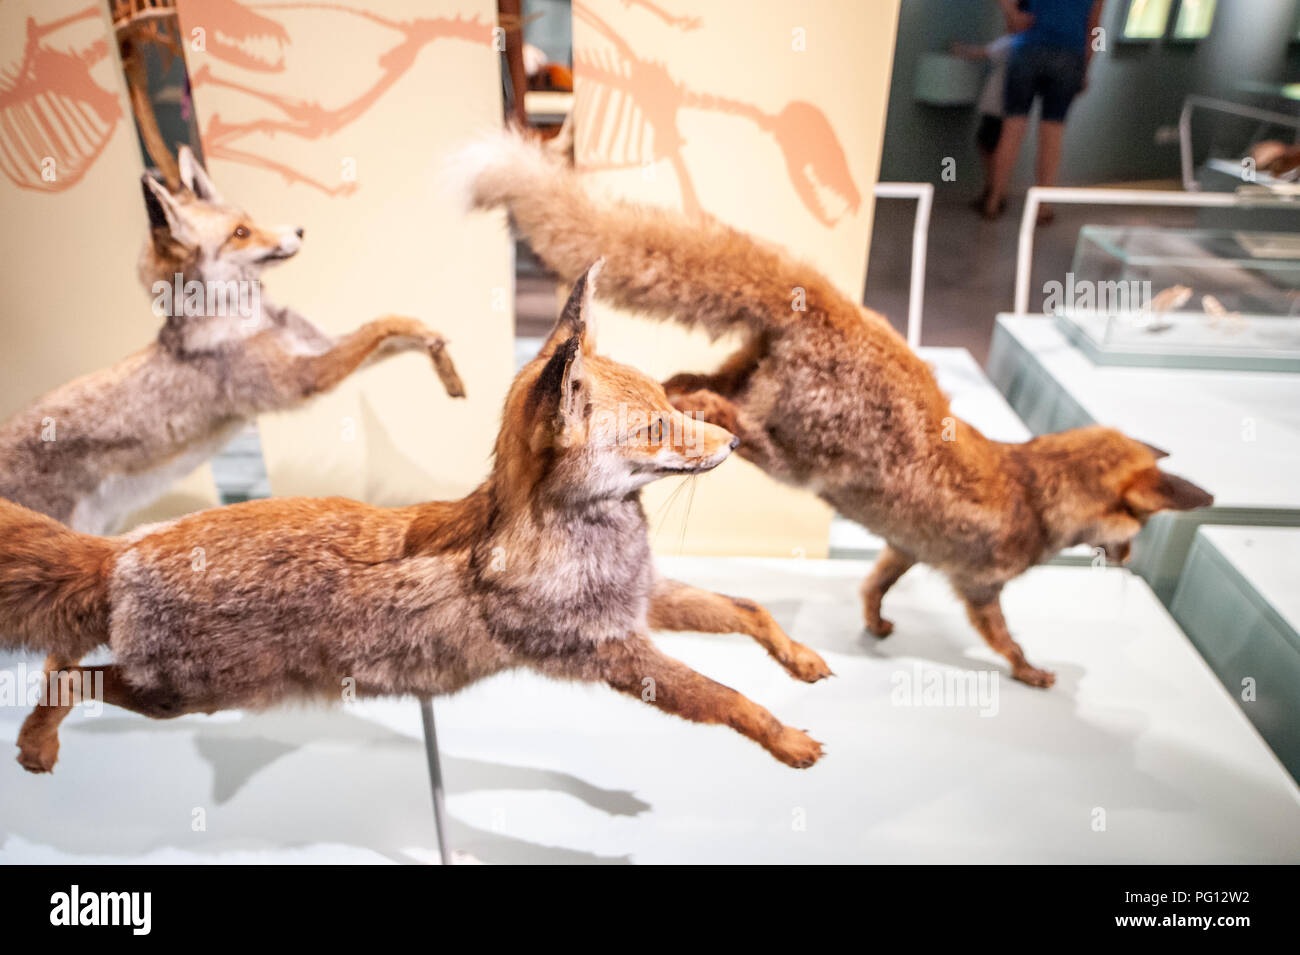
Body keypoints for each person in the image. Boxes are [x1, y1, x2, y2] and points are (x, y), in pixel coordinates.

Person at [983, 0, 1105, 222]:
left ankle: (994, 200)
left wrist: (1013, 15)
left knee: (1012, 129)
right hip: (1070, 56)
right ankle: (1043, 206)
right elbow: (1095, 27)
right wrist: (1086, 67)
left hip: (1027, 49)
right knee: (1052, 134)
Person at [952, 32, 1018, 214]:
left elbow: (983, 53)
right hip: (1001, 107)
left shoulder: (1011, 42)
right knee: (988, 146)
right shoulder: (1016, 44)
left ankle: (996, 193)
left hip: (999, 108)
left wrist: (959, 49)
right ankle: (994, 191)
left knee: (991, 148)